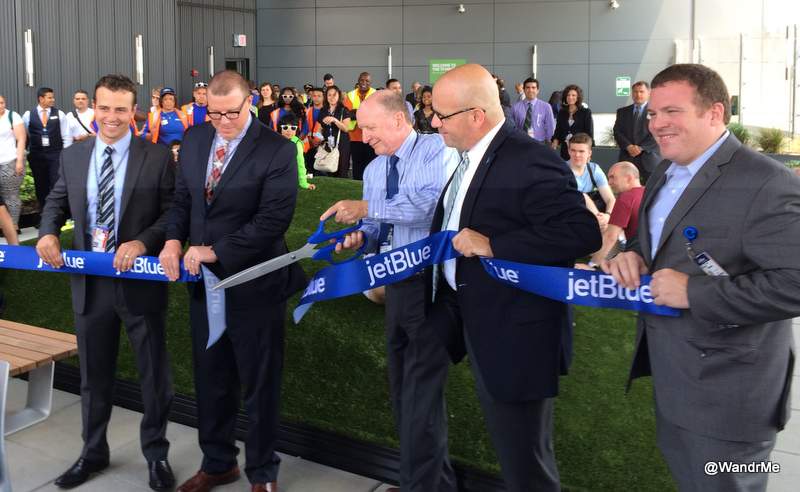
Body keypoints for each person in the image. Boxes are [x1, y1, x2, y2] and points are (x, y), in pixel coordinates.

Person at [603, 63, 800, 492]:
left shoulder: (766, 183)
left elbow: (795, 282)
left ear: (715, 113)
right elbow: (654, 243)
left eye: (671, 112)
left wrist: (694, 292)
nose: (657, 124)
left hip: (730, 397)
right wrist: (632, 256)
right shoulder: (664, 170)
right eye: (653, 114)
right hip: (676, 381)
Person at [427, 63, 600, 492]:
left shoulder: (529, 159)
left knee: (526, 462)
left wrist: (494, 244)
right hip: (469, 315)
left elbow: (581, 232)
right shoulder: (472, 154)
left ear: (476, 116)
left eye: (441, 115)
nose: (432, 123)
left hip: (515, 334)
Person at [159, 70, 306, 492]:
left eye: (231, 113)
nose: (222, 121)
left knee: (259, 382)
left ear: (250, 104)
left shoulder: (276, 149)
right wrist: (172, 240)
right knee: (211, 377)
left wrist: (215, 250)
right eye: (213, 113)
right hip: (203, 286)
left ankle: (262, 472)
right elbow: (183, 200)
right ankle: (219, 462)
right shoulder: (194, 139)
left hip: (255, 283)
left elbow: (273, 221)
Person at [35, 74, 175, 491]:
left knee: (154, 377)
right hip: (90, 285)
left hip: (140, 284)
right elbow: (57, 200)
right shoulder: (74, 157)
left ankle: (156, 456)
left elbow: (172, 214)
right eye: (104, 107)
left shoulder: (157, 156)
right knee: (93, 377)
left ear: (133, 111)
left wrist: (142, 241)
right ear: (93, 108)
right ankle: (93, 452)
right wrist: (45, 231)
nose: (111, 117)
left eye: (120, 109)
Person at [321, 90, 456, 492]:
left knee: (421, 393)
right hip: (393, 282)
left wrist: (366, 211)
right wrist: (357, 236)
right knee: (402, 387)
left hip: (429, 286)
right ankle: (423, 478)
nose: (363, 135)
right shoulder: (375, 170)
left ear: (399, 120)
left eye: (370, 127)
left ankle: (425, 483)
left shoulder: (435, 149)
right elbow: (376, 229)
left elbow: (429, 207)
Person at [579, 161, 643, 268]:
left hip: (636, 260)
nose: (609, 182)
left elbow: (610, 237)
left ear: (628, 178)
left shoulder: (625, 198)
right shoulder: (649, 193)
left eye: (613, 177)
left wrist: (591, 265)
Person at [23, 87, 73, 210]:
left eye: (52, 97)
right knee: (40, 185)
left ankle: (59, 213)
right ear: (41, 98)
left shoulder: (59, 114)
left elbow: (66, 136)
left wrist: (65, 154)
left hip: (55, 154)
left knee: (57, 183)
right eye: (49, 97)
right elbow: (24, 135)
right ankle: (44, 214)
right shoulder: (28, 115)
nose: (53, 100)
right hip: (37, 156)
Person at [613, 80, 660, 184]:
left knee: (650, 193)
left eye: (641, 91)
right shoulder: (622, 112)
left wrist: (641, 147)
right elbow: (617, 132)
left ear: (648, 93)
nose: (638, 94)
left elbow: (658, 132)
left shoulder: (657, 111)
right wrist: (628, 146)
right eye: (635, 92)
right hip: (627, 157)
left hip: (649, 159)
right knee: (626, 191)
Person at [567, 133, 615, 230]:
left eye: (581, 151)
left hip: (593, 216)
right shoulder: (562, 170)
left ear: (589, 153)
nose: (576, 155)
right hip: (571, 216)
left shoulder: (594, 169)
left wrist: (607, 215)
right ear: (568, 151)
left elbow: (610, 199)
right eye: (573, 150)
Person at [313, 85, 352, 178]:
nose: (332, 97)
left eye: (334, 95)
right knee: (329, 168)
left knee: (342, 169)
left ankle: (342, 190)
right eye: (329, 95)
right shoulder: (323, 110)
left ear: (339, 96)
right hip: (328, 144)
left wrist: (335, 120)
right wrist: (319, 138)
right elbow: (319, 128)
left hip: (342, 144)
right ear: (326, 97)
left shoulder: (344, 110)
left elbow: (346, 129)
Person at [0, 95, 27, 228]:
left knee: (10, 195)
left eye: (2, 103)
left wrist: (19, 161)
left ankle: (14, 225)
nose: (0, 106)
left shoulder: (13, 116)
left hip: (10, 161)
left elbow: (21, 139)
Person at [344, 72, 377, 180]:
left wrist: (356, 112)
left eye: (367, 81)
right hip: (355, 136)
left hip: (371, 136)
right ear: (358, 81)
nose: (364, 83)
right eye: (362, 80)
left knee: (372, 163)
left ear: (370, 82)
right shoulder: (351, 95)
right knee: (357, 164)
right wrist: (364, 113)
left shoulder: (375, 94)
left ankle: (371, 183)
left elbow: (376, 114)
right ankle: (357, 185)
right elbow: (347, 113)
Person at [552, 84, 593, 161]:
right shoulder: (562, 112)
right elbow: (558, 131)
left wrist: (588, 153)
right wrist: (555, 140)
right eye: (568, 95)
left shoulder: (586, 112)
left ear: (578, 97)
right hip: (565, 150)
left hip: (580, 150)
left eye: (573, 95)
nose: (570, 97)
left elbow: (589, 133)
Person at [510, 78, 555, 143]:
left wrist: (550, 141)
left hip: (539, 142)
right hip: (521, 142)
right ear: (524, 90)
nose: (530, 90)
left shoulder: (546, 107)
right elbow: (512, 127)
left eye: (533, 87)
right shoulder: (515, 107)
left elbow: (550, 126)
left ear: (538, 90)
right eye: (528, 87)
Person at [278, 113, 315, 190]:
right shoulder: (275, 141)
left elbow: (300, 164)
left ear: (297, 129)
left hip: (289, 177)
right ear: (280, 128)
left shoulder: (297, 144)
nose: (289, 130)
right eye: (285, 127)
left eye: (293, 128)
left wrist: (304, 183)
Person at [304, 87, 325, 164]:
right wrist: (310, 140)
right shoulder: (308, 111)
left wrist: (318, 139)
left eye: (319, 96)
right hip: (309, 144)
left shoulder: (327, 111)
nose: (316, 98)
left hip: (323, 144)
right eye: (314, 96)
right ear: (311, 97)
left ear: (323, 97)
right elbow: (305, 128)